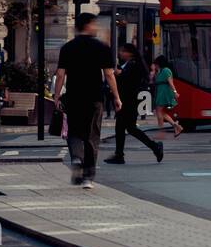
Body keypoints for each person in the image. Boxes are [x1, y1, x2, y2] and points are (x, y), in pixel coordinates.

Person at [53, 13, 121, 188]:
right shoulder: (101, 47)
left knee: (74, 132)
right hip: (94, 97)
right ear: (89, 25)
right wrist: (116, 97)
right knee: (92, 135)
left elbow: (60, 74)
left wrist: (56, 96)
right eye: (94, 24)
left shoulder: (67, 48)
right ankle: (88, 177)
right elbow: (108, 74)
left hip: (74, 97)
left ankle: (76, 158)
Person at [105, 44, 163, 165]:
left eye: (122, 51)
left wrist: (118, 74)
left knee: (124, 127)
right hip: (127, 101)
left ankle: (120, 155)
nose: (120, 54)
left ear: (129, 53)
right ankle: (153, 147)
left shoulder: (135, 64)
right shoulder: (129, 64)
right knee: (128, 128)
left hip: (129, 101)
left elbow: (129, 82)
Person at [152, 55, 182, 135]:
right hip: (160, 92)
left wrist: (175, 92)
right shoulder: (159, 71)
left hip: (164, 93)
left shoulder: (166, 70)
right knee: (161, 112)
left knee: (159, 112)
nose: (155, 65)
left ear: (159, 63)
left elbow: (170, 82)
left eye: (156, 63)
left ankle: (161, 132)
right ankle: (176, 126)